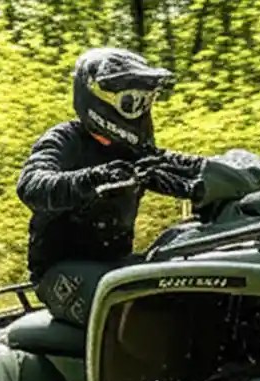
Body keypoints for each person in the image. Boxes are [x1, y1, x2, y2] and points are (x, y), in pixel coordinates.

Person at [16, 47, 209, 326]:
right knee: (141, 314)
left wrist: (217, 172)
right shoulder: (65, 140)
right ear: (98, 100)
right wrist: (92, 179)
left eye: (145, 102)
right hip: (61, 271)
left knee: (187, 286)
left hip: (115, 264)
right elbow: (31, 185)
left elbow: (170, 165)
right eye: (131, 102)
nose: (140, 112)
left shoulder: (130, 150)